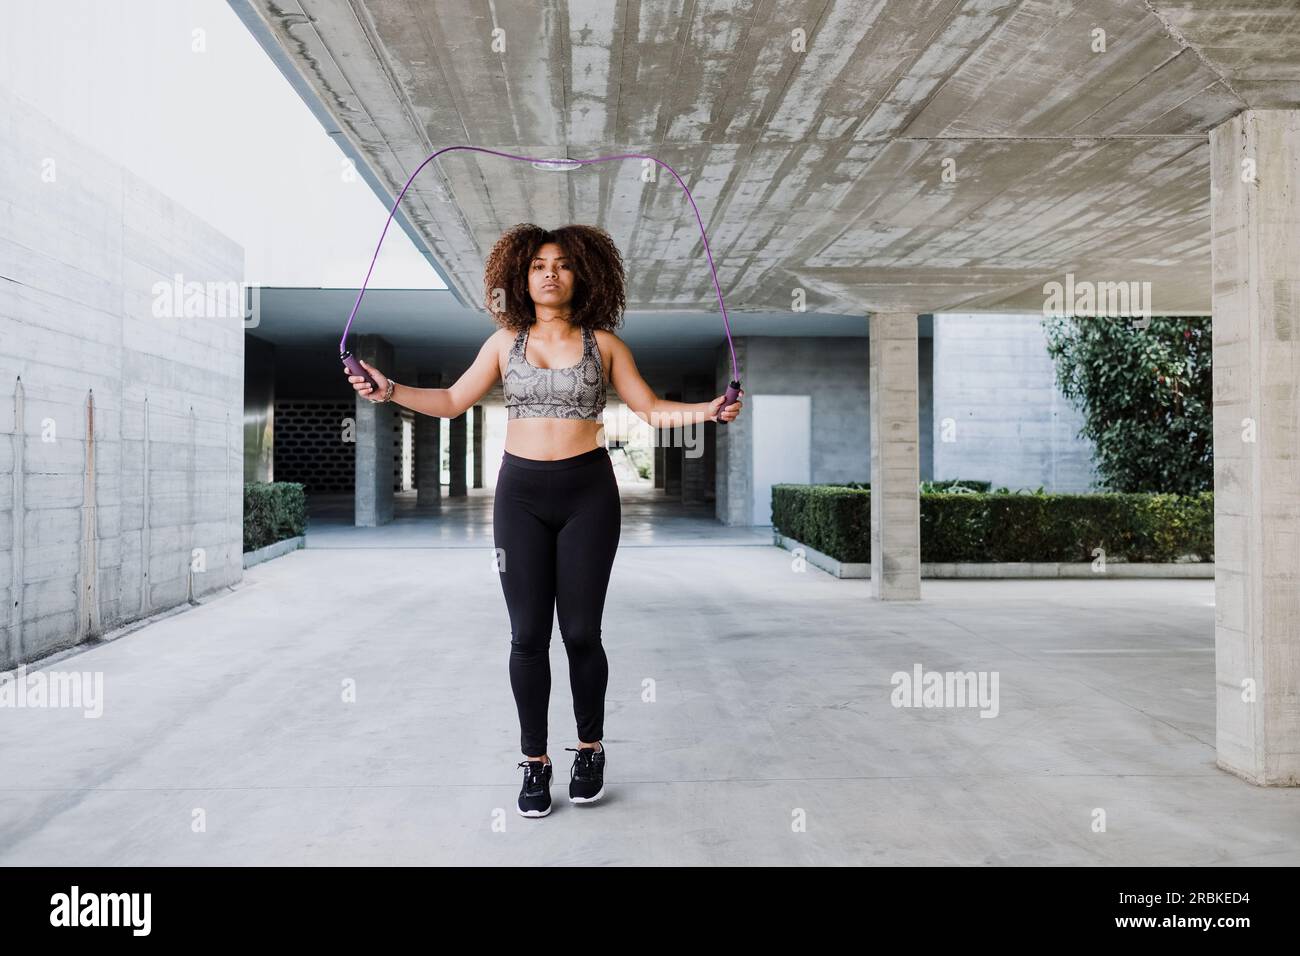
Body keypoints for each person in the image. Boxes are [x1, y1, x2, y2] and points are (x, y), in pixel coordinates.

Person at [344, 222, 744, 817]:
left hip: (589, 495)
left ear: (583, 274)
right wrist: (388, 390)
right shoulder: (502, 343)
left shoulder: (604, 344)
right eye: (537, 265)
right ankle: (534, 762)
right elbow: (451, 402)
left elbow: (650, 408)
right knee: (528, 636)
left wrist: (708, 410)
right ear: (521, 277)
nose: (550, 273)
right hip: (521, 497)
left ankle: (589, 749)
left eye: (561, 264)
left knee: (581, 633)